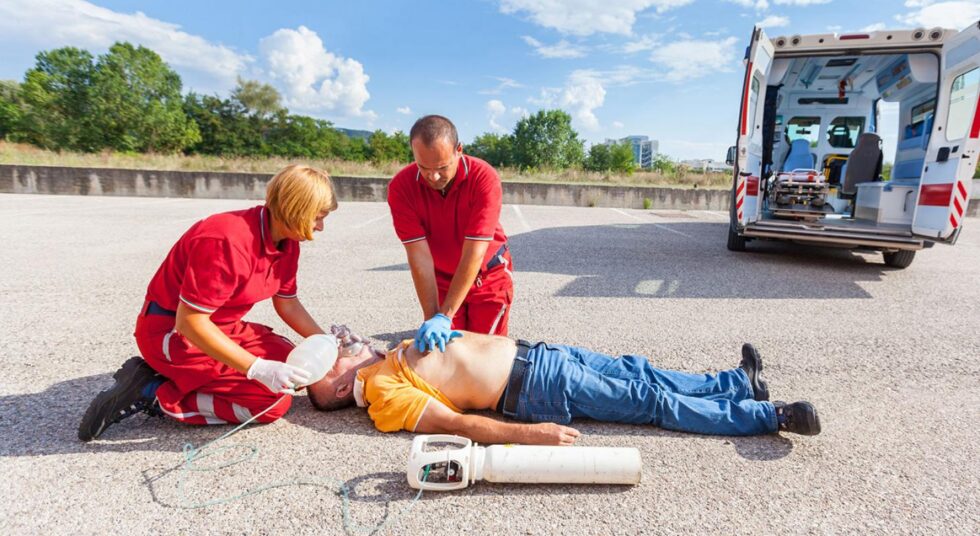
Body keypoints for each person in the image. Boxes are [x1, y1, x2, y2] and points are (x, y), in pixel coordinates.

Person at [78, 164, 338, 442]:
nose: (320, 227)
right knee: (270, 403)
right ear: (294, 209)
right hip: (173, 334)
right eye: (317, 217)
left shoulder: (286, 241)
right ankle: (153, 391)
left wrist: (327, 341)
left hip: (220, 326)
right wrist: (257, 368)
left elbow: (288, 303)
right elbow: (189, 321)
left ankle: (182, 379)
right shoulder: (226, 239)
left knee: (293, 366)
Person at [307, 331, 821, 445]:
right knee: (649, 402)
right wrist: (532, 437)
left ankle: (736, 383)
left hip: (541, 356)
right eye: (328, 361)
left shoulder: (382, 359)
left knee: (640, 371)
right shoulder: (383, 396)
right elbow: (458, 425)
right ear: (335, 389)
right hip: (533, 388)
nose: (335, 348)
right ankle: (769, 417)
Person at [387, 115, 513, 353]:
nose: (433, 177)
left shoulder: (483, 177)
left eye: (442, 168)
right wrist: (432, 317)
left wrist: (445, 315)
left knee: (485, 354)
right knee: (446, 354)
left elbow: (474, 253)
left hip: (487, 276)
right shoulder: (401, 187)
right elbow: (419, 258)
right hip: (441, 279)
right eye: (424, 167)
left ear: (459, 150)